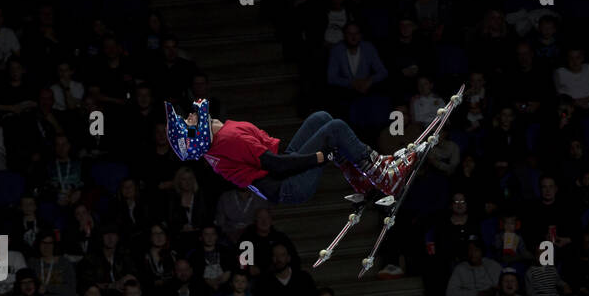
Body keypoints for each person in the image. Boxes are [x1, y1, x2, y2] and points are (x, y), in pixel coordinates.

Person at [164, 96, 419, 205]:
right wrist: (320, 157)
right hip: (289, 184)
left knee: (321, 118)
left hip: (282, 168)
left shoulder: (218, 141)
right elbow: (276, 166)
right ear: (197, 136)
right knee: (336, 129)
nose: (190, 116)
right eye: (188, 122)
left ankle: (362, 179)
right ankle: (386, 179)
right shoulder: (227, 140)